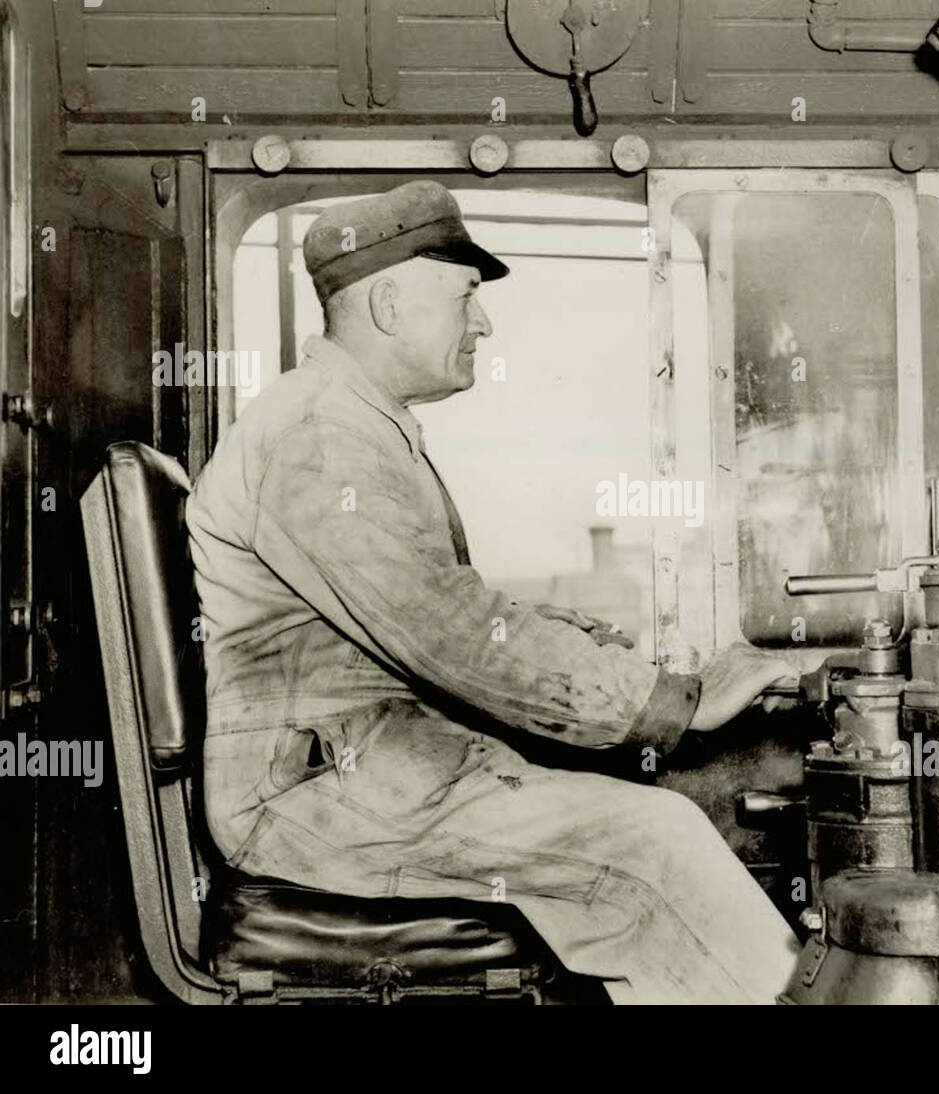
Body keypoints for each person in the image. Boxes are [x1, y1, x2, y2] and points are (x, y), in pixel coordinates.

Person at [187, 180, 803, 1004]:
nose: (485, 323)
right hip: (316, 795)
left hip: (367, 767)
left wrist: (621, 662)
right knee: (656, 843)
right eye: (468, 296)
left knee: (674, 805)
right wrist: (672, 701)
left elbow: (445, 610)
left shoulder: (351, 424)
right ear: (390, 304)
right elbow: (454, 634)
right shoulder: (320, 442)